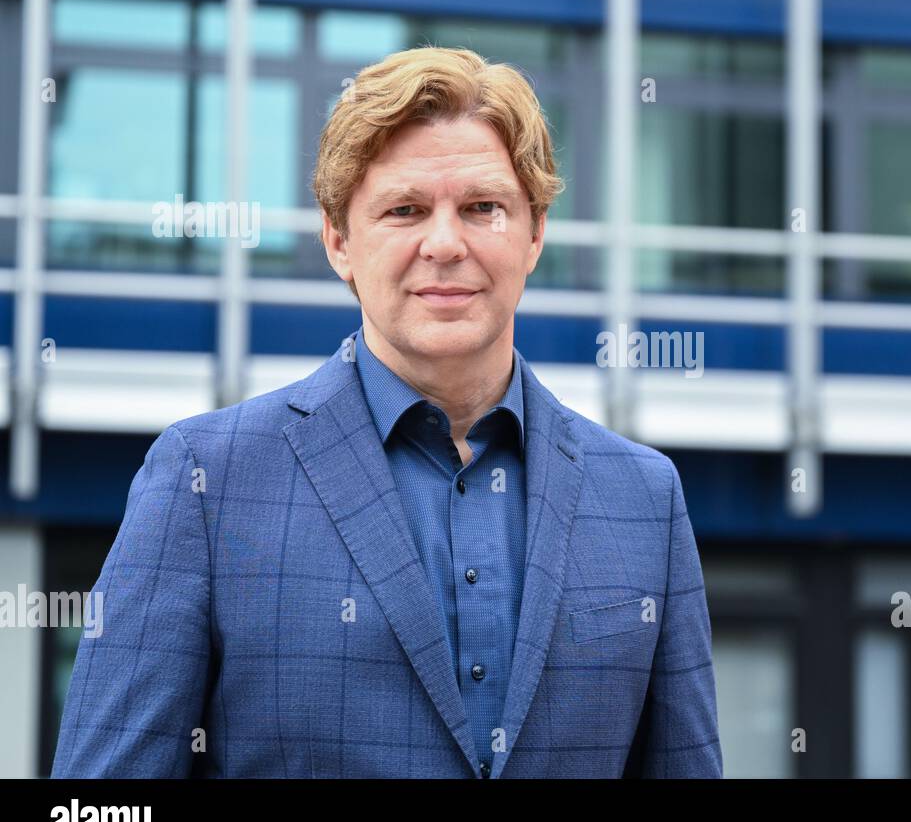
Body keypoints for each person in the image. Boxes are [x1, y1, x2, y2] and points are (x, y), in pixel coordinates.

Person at [52, 46, 722, 779]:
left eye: (482, 208)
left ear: (535, 234)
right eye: (404, 210)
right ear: (339, 240)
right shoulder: (206, 480)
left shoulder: (644, 498)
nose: (445, 243)